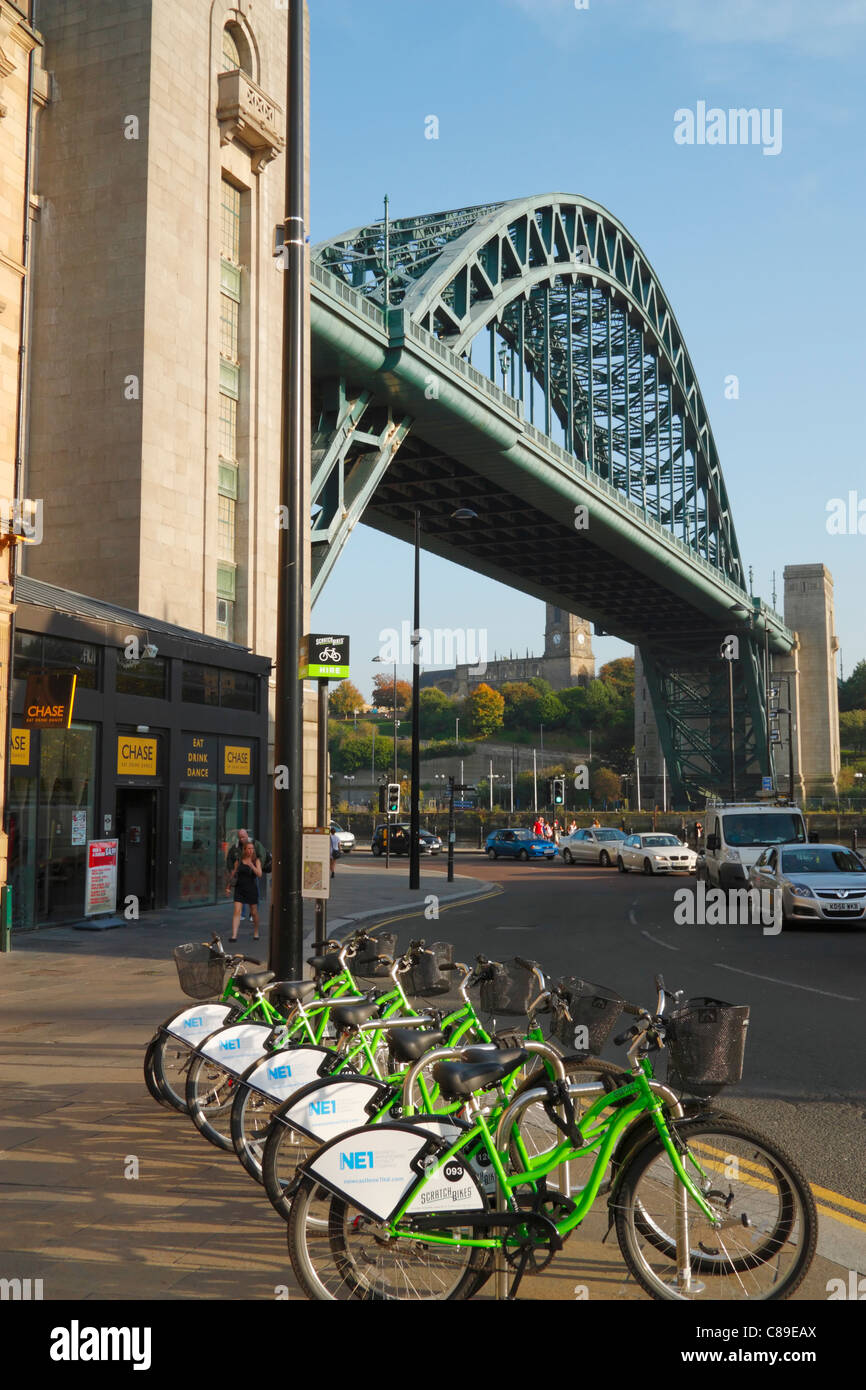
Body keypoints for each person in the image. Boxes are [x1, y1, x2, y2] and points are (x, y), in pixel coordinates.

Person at [227, 840, 262, 941]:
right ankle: (234, 936)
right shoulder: (239, 860)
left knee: (254, 912)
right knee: (237, 911)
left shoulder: (256, 860)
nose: (251, 851)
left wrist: (252, 866)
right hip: (239, 888)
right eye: (249, 849)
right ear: (245, 850)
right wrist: (228, 886)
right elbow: (234, 873)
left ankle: (256, 932)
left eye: (252, 849)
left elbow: (259, 874)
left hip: (251, 889)